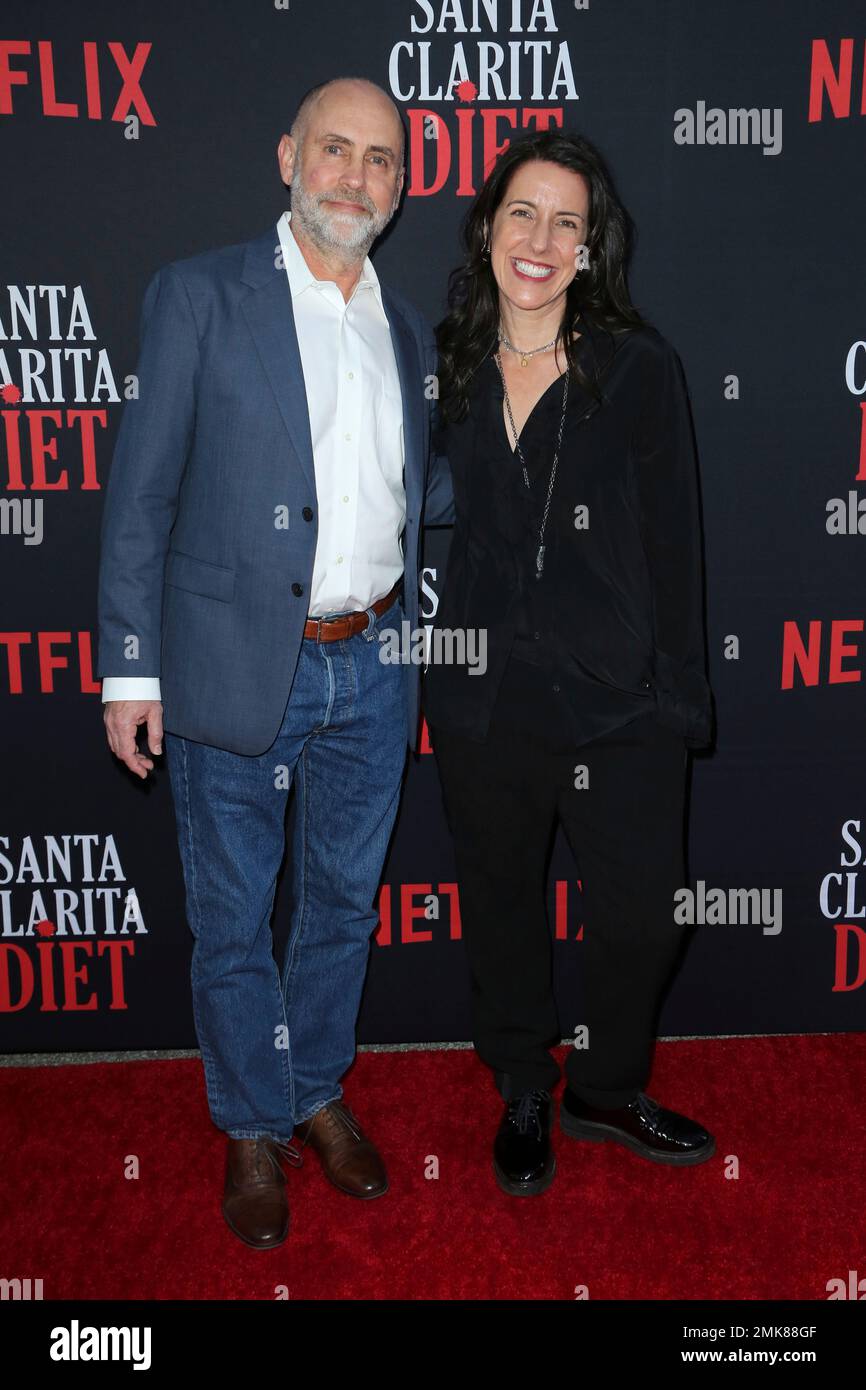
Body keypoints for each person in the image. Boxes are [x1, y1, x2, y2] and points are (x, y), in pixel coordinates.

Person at [97, 76, 453, 1248]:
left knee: (344, 903)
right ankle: (252, 1119)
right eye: (337, 151)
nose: (357, 177)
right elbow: (140, 495)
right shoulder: (199, 295)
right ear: (287, 154)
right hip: (234, 665)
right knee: (235, 911)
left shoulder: (403, 328)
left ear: (404, 189)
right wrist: (130, 671)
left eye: (383, 161)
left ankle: (313, 1092)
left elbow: (420, 491)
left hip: (375, 658)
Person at [424, 128, 716, 1197]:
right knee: (499, 907)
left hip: (618, 701)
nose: (539, 238)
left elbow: (676, 540)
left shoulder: (637, 366)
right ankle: (520, 1084)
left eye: (565, 222)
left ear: (591, 248)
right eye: (521, 213)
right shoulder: (447, 359)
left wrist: (679, 694)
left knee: (642, 914)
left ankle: (602, 1084)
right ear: (487, 227)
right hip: (483, 700)